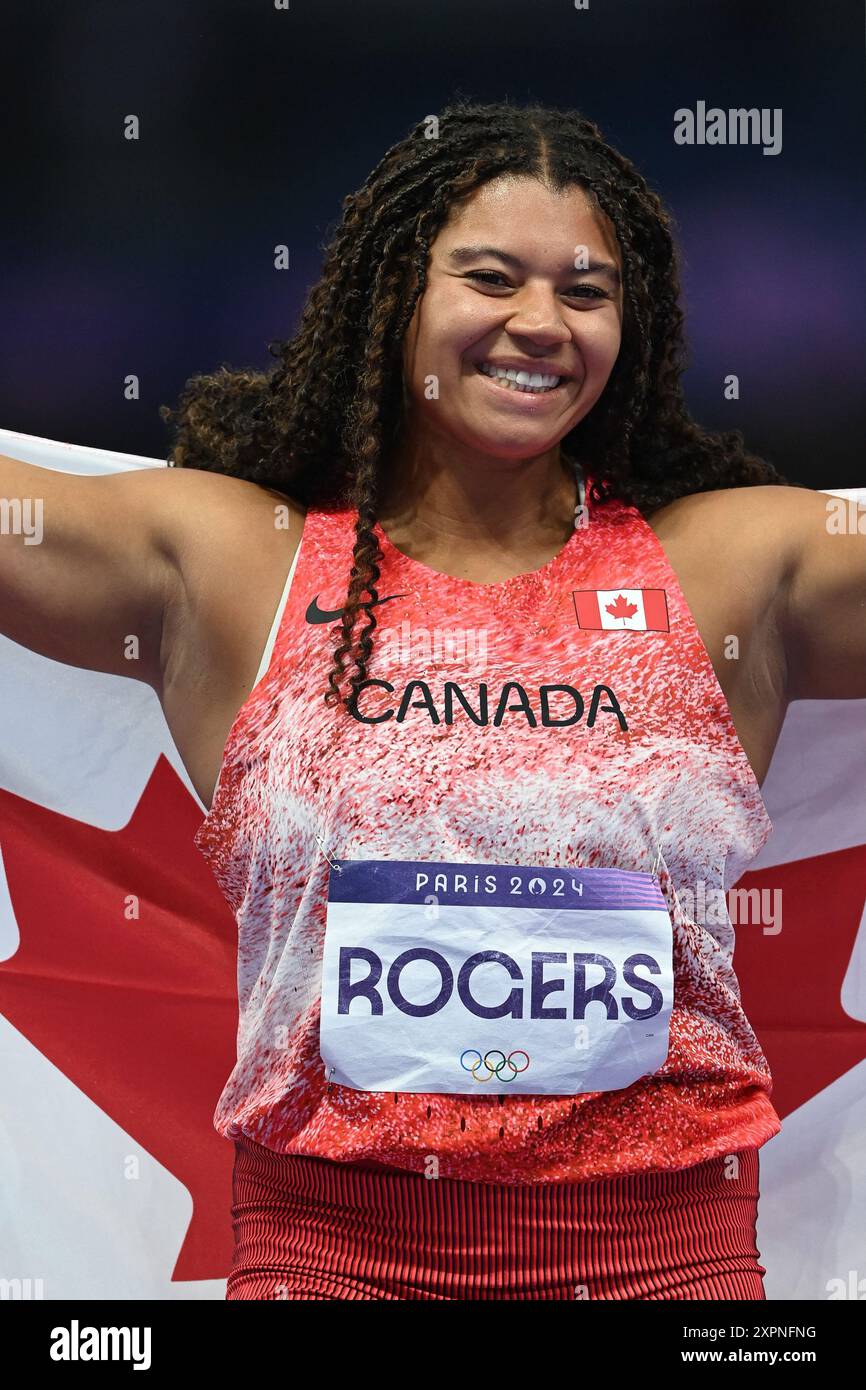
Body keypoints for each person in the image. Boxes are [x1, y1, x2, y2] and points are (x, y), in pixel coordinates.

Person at [1, 98, 864, 1301]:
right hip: (329, 1263)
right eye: (490, 276)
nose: (539, 322)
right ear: (394, 292)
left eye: (584, 290)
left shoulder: (724, 572)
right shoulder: (236, 570)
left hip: (668, 1271)